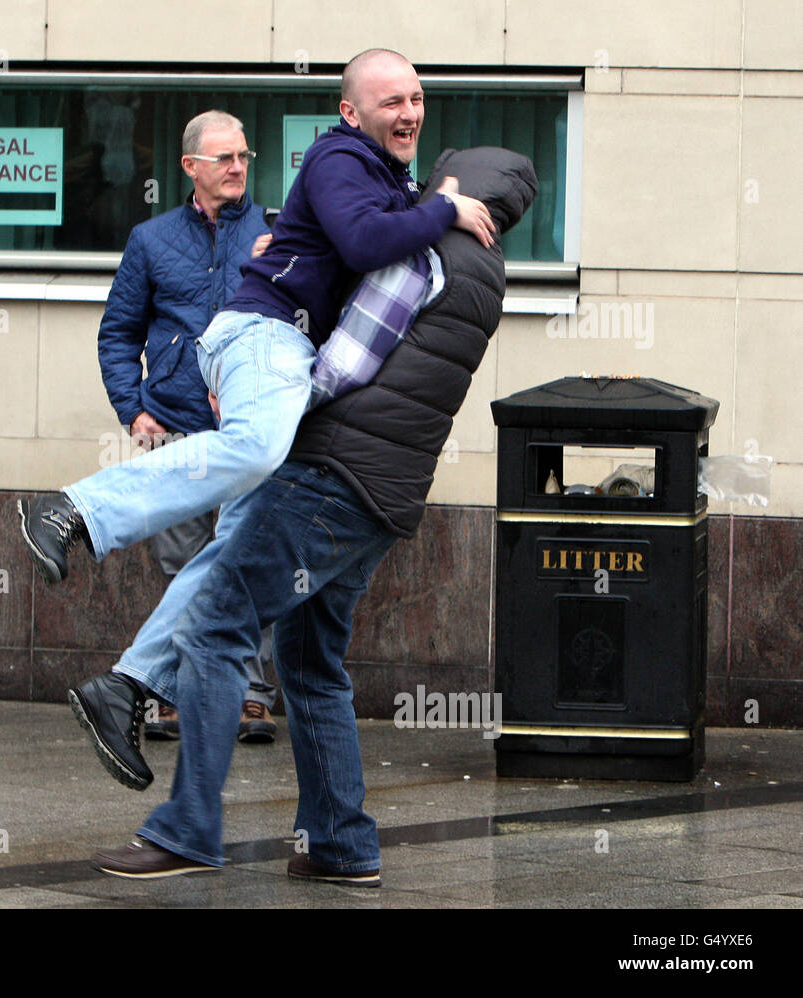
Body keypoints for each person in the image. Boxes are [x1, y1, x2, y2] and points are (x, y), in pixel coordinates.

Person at [50, 48, 496, 791]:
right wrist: (440, 208)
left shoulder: (394, 201)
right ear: (351, 112)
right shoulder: (350, 168)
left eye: (417, 98)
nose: (410, 111)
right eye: (393, 101)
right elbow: (352, 267)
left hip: (285, 398)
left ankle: (125, 688)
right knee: (248, 478)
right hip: (265, 372)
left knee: (226, 558)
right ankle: (81, 509)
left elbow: (332, 265)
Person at [90, 143, 539, 880]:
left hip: (326, 482)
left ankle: (187, 829)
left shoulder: (427, 258)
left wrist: (258, 399)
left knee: (213, 628)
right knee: (309, 662)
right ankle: (341, 844)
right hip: (382, 501)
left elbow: (344, 364)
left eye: (441, 178)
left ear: (462, 185)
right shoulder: (487, 274)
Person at [97, 109, 279, 744]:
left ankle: (251, 696)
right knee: (182, 568)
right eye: (224, 158)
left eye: (243, 157)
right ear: (190, 167)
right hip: (174, 429)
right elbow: (117, 334)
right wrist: (133, 409)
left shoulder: (274, 233)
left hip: (250, 435)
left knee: (247, 564)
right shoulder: (151, 240)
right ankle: (173, 693)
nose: (236, 168)